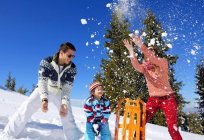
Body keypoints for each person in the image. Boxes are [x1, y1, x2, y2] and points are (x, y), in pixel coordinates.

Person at [2, 42, 82, 140]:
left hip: (60, 93)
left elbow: (67, 88)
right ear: (61, 52)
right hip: (45, 89)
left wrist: (64, 103)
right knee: (27, 107)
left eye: (73, 56)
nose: (71, 58)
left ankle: (74, 138)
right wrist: (44, 99)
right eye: (69, 55)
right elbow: (42, 82)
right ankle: (8, 134)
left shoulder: (72, 68)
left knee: (68, 116)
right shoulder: (46, 62)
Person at [123, 35, 183, 140]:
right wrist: (131, 51)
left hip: (168, 98)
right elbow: (136, 66)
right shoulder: (145, 68)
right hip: (153, 99)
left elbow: (152, 57)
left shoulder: (163, 63)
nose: (148, 57)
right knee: (141, 121)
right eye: (146, 55)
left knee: (172, 128)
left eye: (151, 53)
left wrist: (141, 45)